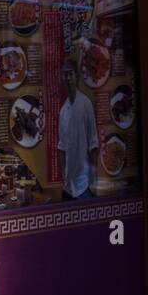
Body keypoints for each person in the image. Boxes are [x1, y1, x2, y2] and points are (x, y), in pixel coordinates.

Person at [57, 57, 99, 200]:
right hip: (68, 186)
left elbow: (93, 144)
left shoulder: (86, 104)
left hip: (85, 185)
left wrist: (93, 179)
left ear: (77, 76)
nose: (68, 78)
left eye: (70, 74)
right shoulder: (63, 111)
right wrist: (63, 175)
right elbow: (61, 148)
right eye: (65, 75)